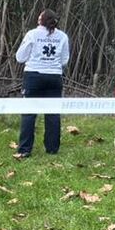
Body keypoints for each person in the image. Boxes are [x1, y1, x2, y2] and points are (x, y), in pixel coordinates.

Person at [15, 9, 71, 158]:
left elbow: (20, 57)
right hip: (54, 77)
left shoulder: (32, 34)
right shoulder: (63, 36)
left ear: (40, 20)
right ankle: (52, 148)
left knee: (29, 113)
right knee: (53, 113)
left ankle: (25, 149)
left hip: (33, 76)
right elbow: (64, 60)